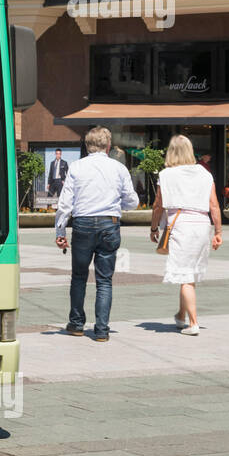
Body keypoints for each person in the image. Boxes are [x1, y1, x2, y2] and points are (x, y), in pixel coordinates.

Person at [54, 126, 139, 341]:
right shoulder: (119, 168)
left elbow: (65, 203)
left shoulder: (76, 167)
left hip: (82, 224)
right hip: (109, 224)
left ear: (87, 145)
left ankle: (76, 324)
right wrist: (117, 203)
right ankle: (101, 330)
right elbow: (133, 201)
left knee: (79, 276)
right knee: (104, 280)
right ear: (108, 146)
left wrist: (60, 231)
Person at [151, 134, 222, 336]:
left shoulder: (166, 175)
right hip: (202, 223)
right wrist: (218, 231)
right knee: (188, 274)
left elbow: (158, 205)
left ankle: (193, 323)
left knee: (185, 276)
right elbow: (214, 205)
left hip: (180, 224)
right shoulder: (204, 173)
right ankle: (181, 315)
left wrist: (154, 228)